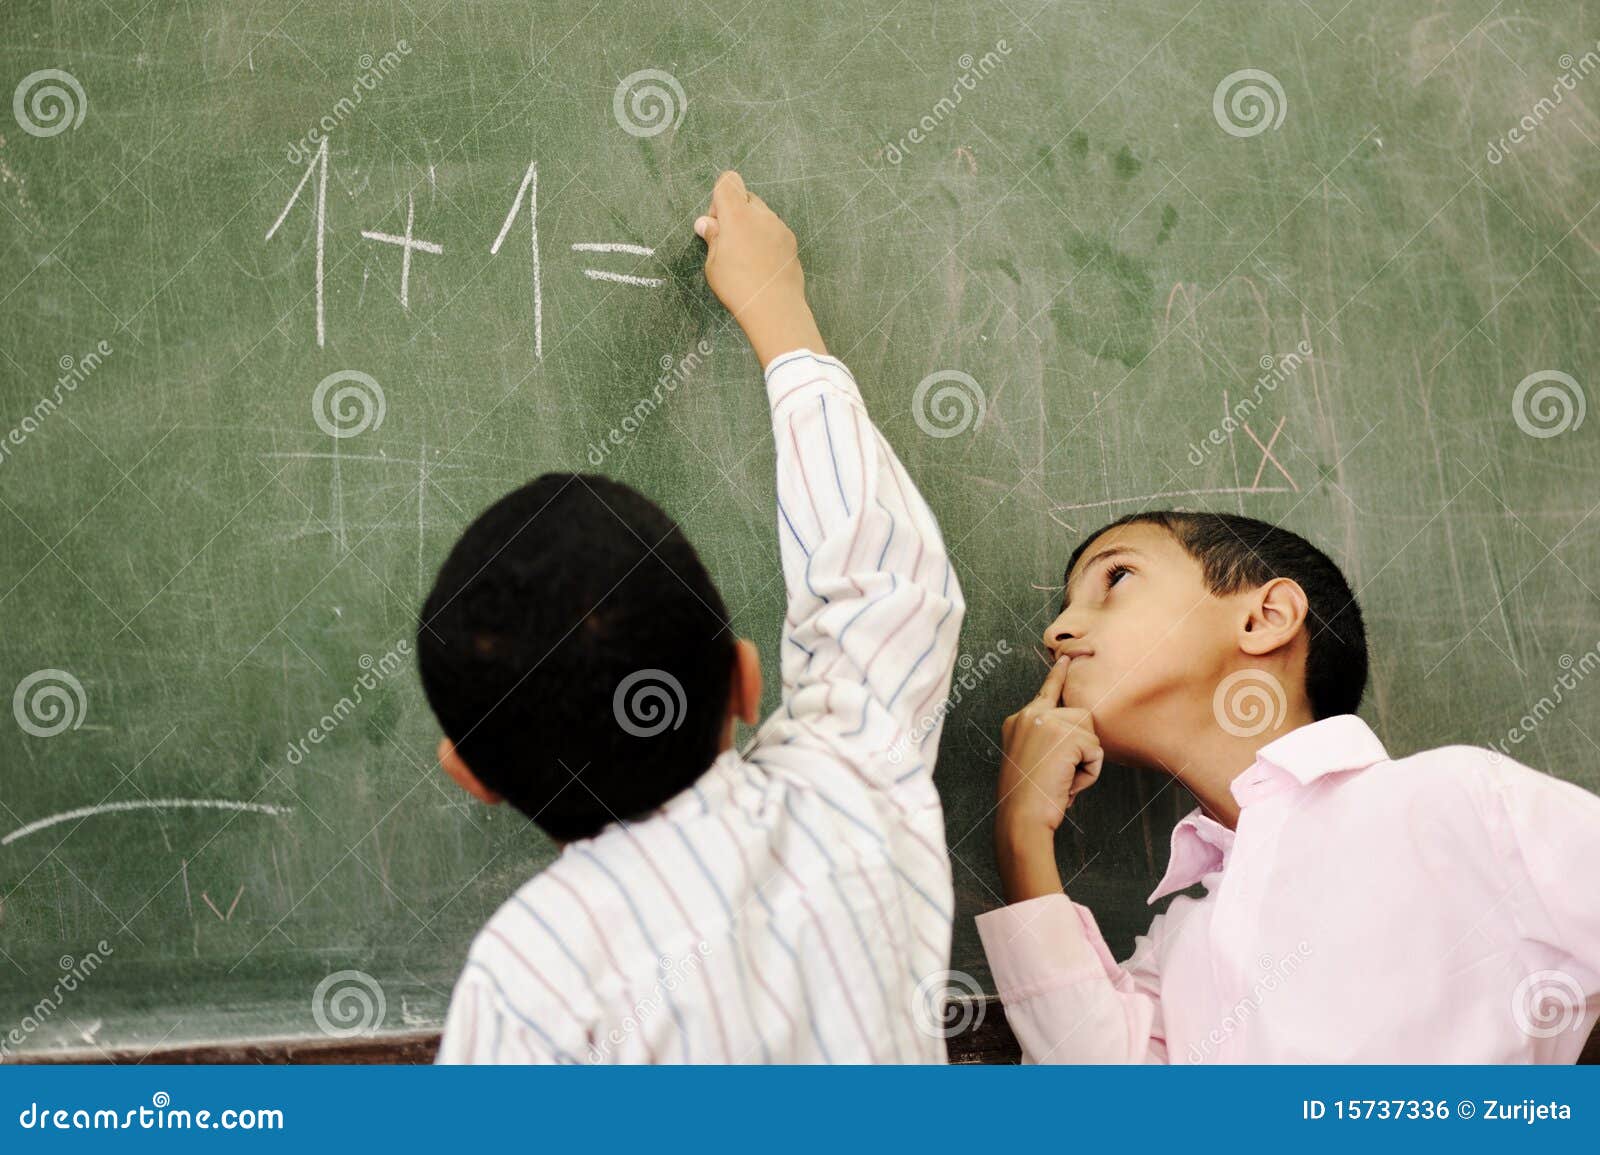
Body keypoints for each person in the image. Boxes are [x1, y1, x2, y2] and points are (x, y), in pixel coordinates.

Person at [419, 171, 965, 1062]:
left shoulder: (528, 980)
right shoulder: (850, 797)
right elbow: (887, 579)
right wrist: (778, 315)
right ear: (747, 681)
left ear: (470, 775)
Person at [978, 510, 1600, 1062]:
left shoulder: (1457, 801)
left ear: (1265, 617)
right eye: (1063, 608)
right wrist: (1021, 834)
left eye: (1113, 580)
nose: (1056, 631)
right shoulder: (1173, 951)